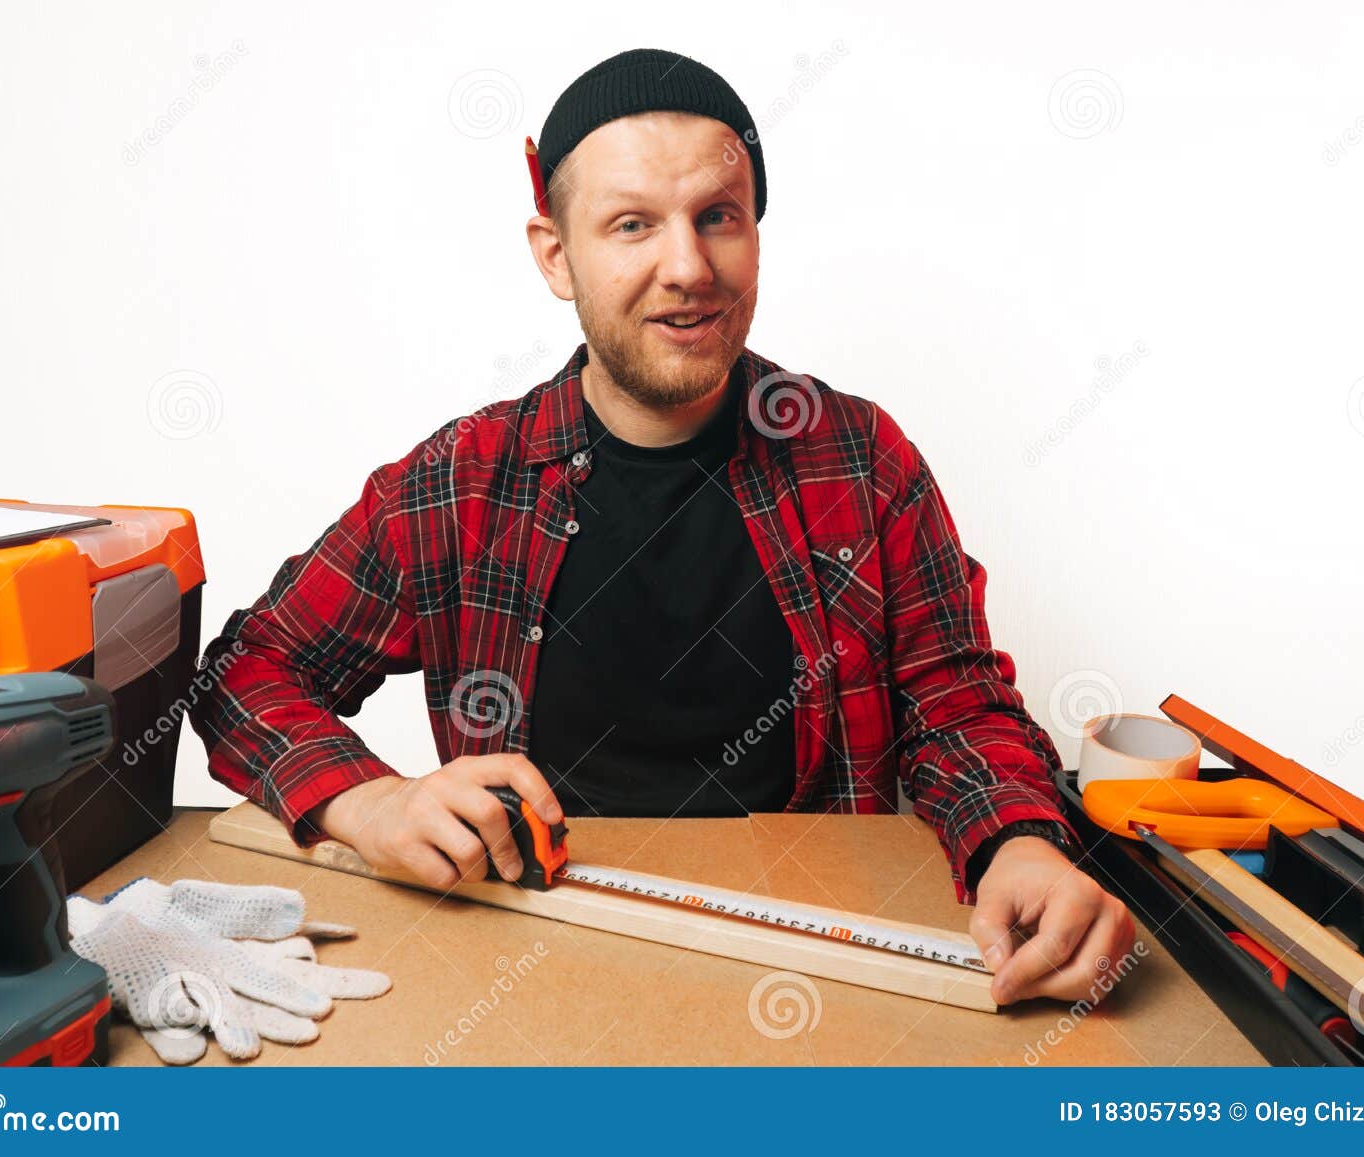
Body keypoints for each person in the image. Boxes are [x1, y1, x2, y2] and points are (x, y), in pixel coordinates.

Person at [189, 47, 1135, 1007]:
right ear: (556, 254)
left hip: (812, 959)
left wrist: (1018, 842)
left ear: (756, 235)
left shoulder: (859, 458)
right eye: (632, 223)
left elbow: (955, 705)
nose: (687, 267)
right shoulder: (460, 486)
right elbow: (243, 671)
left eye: (717, 217)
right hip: (529, 956)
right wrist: (374, 803)